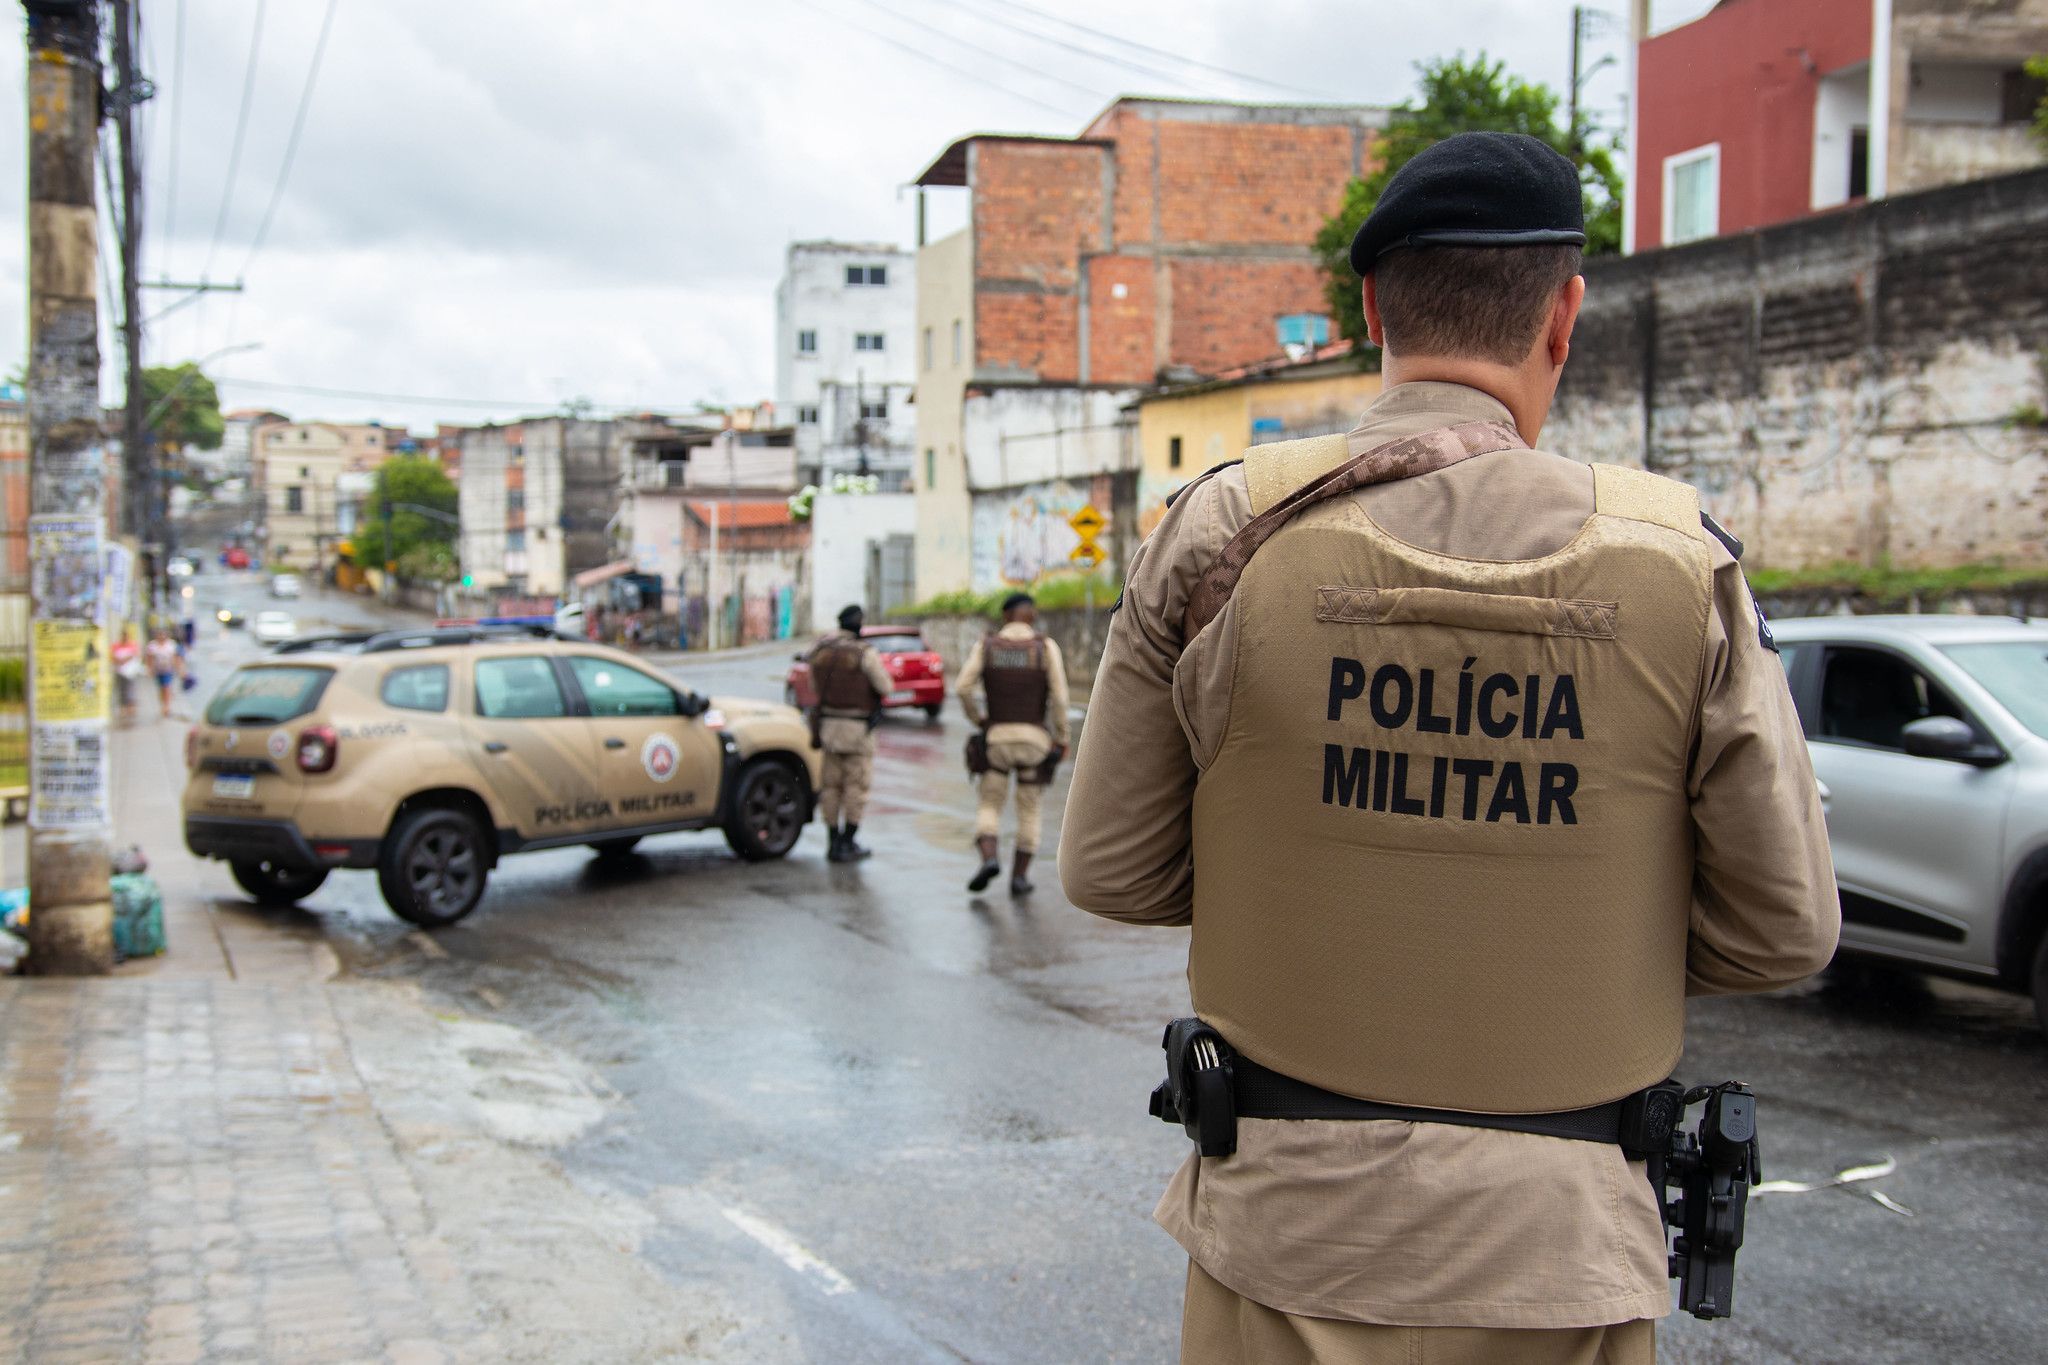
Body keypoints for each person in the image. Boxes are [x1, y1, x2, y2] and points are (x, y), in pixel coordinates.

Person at [1059, 132, 1840, 1365]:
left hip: (1288, 1240)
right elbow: (1779, 931)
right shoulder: (1679, 561)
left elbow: (1111, 871)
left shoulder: (1221, 531)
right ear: (1564, 316)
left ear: (1370, 304)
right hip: (1562, 1255)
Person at [953, 592, 1070, 895]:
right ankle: (1019, 878)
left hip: (996, 741)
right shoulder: (1045, 647)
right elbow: (1059, 697)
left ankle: (989, 858)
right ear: (1031, 615)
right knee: (1029, 810)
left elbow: (962, 687)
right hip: (1034, 741)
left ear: (1005, 616)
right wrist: (1062, 737)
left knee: (990, 803)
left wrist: (979, 719)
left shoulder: (987, 646)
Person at [806, 604, 894, 862]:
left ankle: (833, 840)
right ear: (859, 624)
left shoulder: (821, 652)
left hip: (828, 728)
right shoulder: (863, 654)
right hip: (857, 729)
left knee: (831, 786)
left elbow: (813, 686)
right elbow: (885, 686)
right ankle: (848, 840)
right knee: (856, 786)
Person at [143, 627, 185, 721]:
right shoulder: (152, 646)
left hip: (168, 669)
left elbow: (176, 657)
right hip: (158, 670)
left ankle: (166, 706)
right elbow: (149, 658)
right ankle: (164, 702)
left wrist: (180, 669)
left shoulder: (171, 645)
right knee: (161, 688)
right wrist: (149, 669)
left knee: (166, 687)